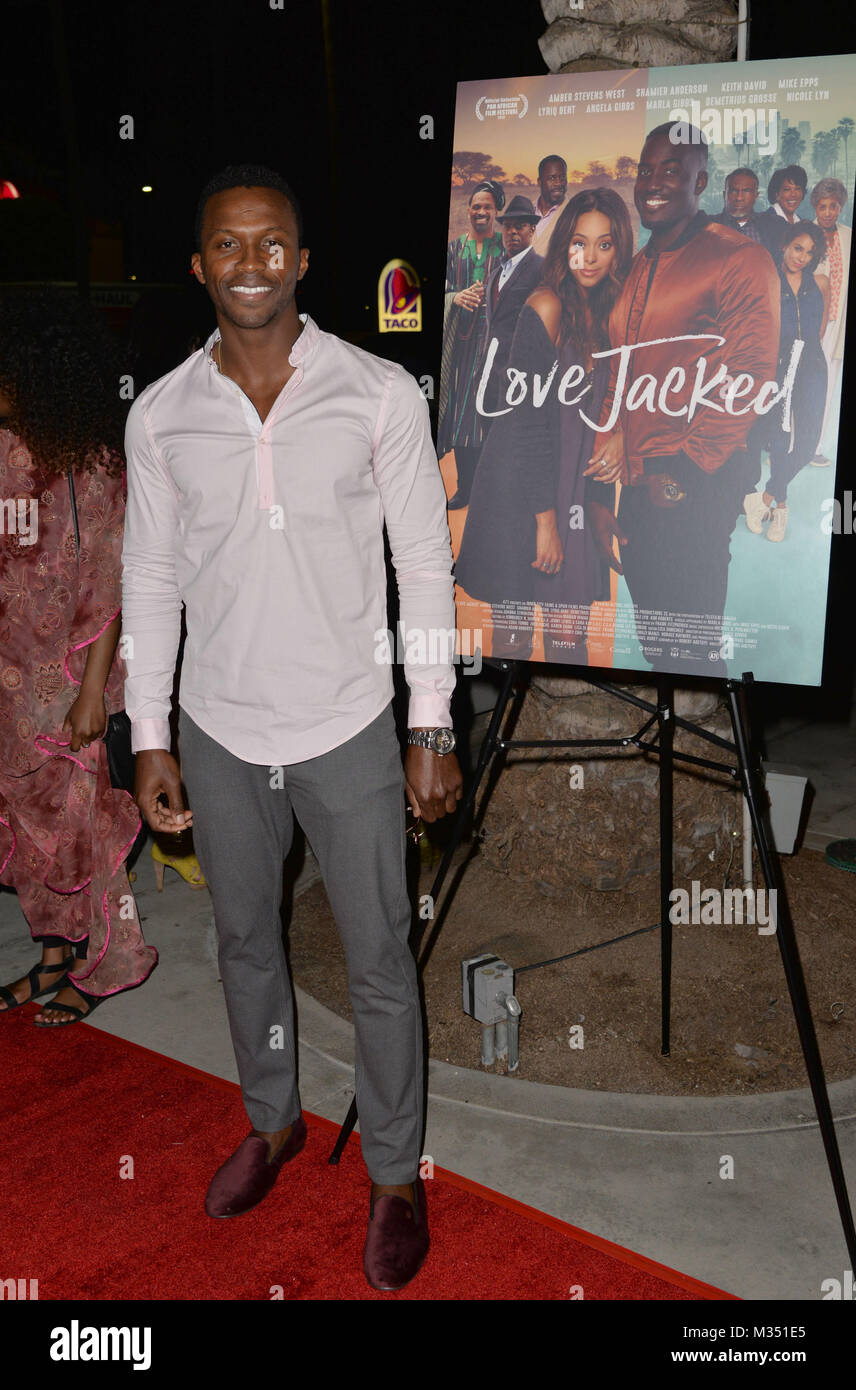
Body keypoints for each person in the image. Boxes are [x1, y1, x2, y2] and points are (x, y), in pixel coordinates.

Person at [121, 164, 462, 1293]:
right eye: (229, 243)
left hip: (351, 723)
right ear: (199, 264)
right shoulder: (162, 413)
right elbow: (152, 577)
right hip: (219, 726)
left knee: (375, 959)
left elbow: (422, 564)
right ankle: (270, 1123)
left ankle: (395, 1174)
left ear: (303, 262)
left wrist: (429, 721)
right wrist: (149, 730)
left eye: (273, 244)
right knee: (244, 943)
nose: (252, 261)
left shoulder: (376, 394)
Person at [0, 288, 156, 1025]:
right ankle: (54, 955)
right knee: (27, 828)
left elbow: (107, 582)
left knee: (86, 827)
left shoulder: (89, 461)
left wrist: (92, 691)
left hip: (68, 681)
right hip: (6, 683)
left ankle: (114, 956)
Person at [590, 122, 780, 677]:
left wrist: (683, 477)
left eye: (671, 170)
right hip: (639, 486)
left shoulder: (738, 258)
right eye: (645, 170)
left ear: (701, 182)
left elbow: (748, 378)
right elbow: (615, 382)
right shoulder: (635, 266)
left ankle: (706, 759)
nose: (652, 182)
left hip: (695, 484)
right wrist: (600, 494)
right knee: (659, 647)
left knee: (691, 653)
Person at [453, 188, 633, 662]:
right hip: (523, 484)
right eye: (579, 242)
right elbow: (527, 423)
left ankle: (556, 730)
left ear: (620, 249)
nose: (589, 257)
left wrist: (619, 438)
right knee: (512, 638)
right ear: (562, 245)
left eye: (604, 243)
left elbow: (615, 405)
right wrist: (545, 521)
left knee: (567, 639)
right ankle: (505, 728)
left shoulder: (616, 314)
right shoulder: (546, 305)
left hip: (576, 481)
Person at [743, 221, 828, 543]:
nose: (802, 257)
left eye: (809, 252)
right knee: (779, 438)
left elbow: (818, 330)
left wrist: (808, 361)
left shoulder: (818, 283)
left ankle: (762, 499)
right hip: (777, 367)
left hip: (812, 366)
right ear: (784, 245)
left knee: (807, 444)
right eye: (798, 248)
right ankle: (780, 508)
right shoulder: (765, 280)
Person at [438, 179, 505, 508]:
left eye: (487, 207)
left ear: (496, 211)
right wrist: (455, 297)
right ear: (468, 211)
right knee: (463, 415)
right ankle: (465, 489)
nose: (481, 211)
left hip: (495, 348)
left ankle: (488, 491)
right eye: (476, 206)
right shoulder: (453, 249)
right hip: (461, 346)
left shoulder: (505, 250)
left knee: (489, 415)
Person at [811, 176, 851, 466]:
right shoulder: (803, 233)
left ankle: (815, 447)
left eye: (833, 206)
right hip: (809, 323)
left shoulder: (848, 236)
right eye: (823, 206)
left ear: (841, 207)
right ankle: (787, 448)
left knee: (826, 387)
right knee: (799, 384)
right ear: (815, 206)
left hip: (837, 325)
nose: (828, 212)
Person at [756, 165, 808, 259]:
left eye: (798, 189)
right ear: (777, 194)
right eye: (787, 189)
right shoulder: (765, 222)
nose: (793, 194)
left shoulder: (801, 223)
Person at [710, 167, 763, 242]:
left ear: (756, 196)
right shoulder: (710, 226)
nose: (739, 198)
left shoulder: (771, 225)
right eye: (733, 191)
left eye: (746, 191)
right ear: (724, 195)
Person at [531, 155, 569, 256]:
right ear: (540, 182)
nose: (558, 183)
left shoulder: (574, 213)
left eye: (562, 177)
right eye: (552, 178)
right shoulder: (527, 209)